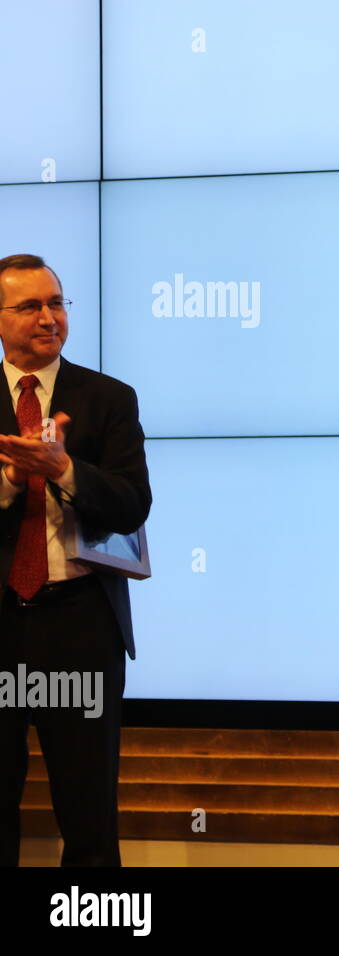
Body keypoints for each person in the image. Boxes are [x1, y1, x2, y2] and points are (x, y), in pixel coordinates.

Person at [0, 253, 151, 867]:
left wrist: (62, 467)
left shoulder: (108, 398)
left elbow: (132, 505)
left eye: (56, 303)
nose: (47, 317)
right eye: (29, 306)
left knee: (88, 812)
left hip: (80, 626)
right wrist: (11, 478)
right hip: (2, 624)